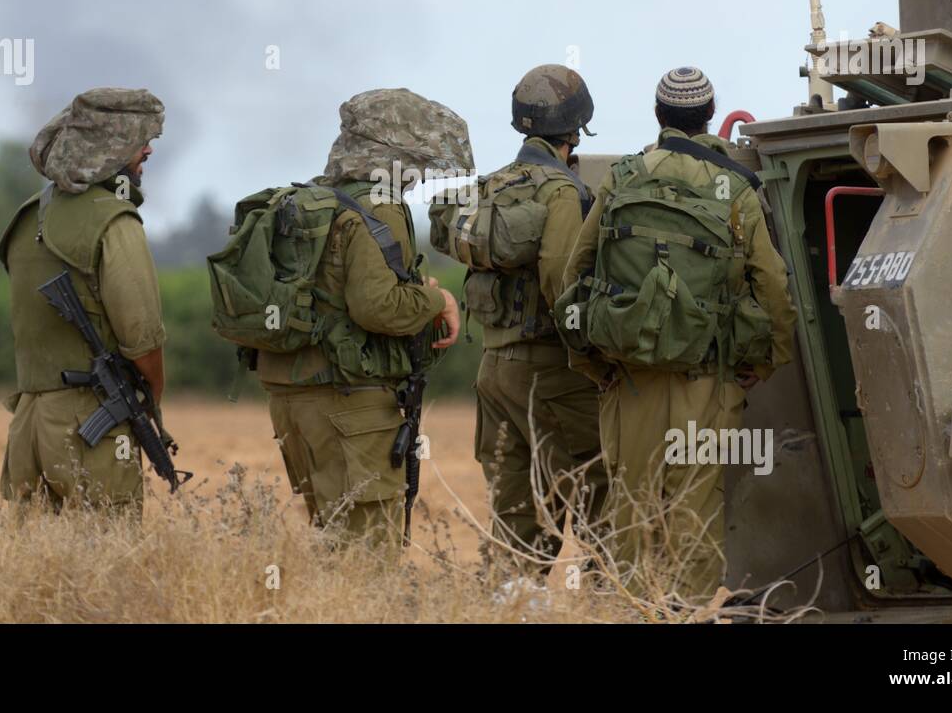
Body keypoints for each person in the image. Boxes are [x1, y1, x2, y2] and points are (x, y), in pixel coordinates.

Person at [561, 66, 796, 598]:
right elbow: (773, 284)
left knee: (630, 510)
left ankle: (629, 609)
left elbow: (575, 275)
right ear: (710, 115)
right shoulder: (734, 187)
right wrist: (764, 362)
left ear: (658, 115)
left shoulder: (621, 178)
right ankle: (685, 611)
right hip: (707, 381)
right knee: (694, 511)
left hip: (629, 380)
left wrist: (593, 365)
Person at [256, 88, 468, 546]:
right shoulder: (379, 207)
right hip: (350, 405)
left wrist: (414, 292)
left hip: (296, 400)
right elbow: (378, 307)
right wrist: (439, 301)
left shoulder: (316, 199)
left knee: (334, 545)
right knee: (368, 558)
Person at [466, 65, 608, 575]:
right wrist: (595, 359)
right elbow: (561, 283)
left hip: (493, 367)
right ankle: (609, 603)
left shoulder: (494, 184)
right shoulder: (562, 191)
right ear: (576, 129)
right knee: (601, 490)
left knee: (515, 505)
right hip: (550, 370)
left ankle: (512, 598)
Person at [0, 87, 168, 514]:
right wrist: (152, 397)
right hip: (88, 426)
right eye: (140, 142)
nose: (148, 150)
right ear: (113, 149)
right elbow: (142, 340)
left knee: (35, 554)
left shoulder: (27, 215)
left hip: (28, 426)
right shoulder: (114, 220)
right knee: (108, 550)